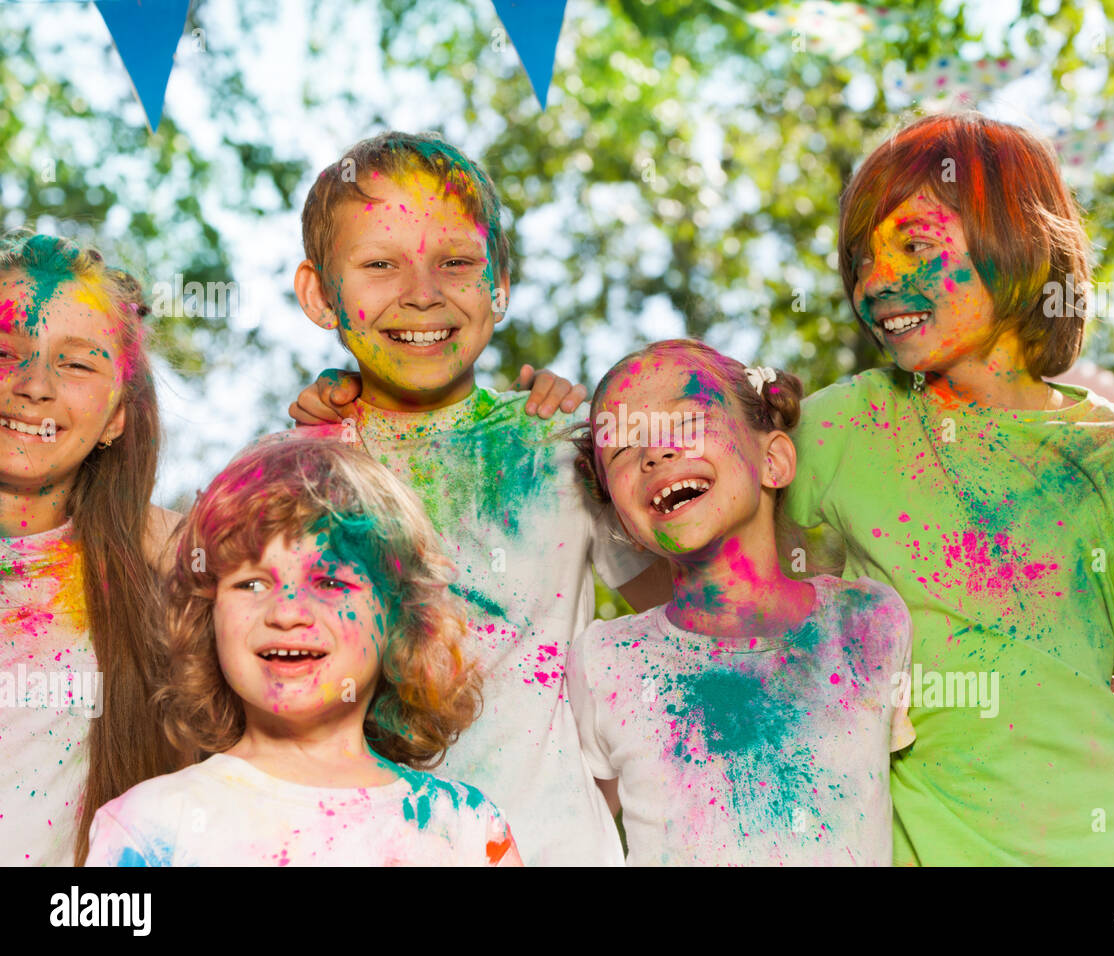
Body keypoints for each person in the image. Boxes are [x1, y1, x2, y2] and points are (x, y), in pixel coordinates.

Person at [789, 111, 1114, 864]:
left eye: (914, 246)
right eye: (862, 260)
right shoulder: (837, 428)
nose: (877, 282)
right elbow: (722, 604)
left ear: (1017, 245)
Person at [278, 131, 668, 864]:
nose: (423, 292)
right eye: (380, 264)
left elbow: (693, 615)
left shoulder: (560, 447)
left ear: (501, 287)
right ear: (320, 296)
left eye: (455, 262)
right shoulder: (295, 475)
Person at [85, 439, 522, 866]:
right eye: (251, 583)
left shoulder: (465, 827)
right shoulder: (150, 826)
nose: (287, 612)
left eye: (330, 582)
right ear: (206, 616)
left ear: (398, 617)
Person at [567, 339, 913, 865]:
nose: (654, 453)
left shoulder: (870, 622)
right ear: (623, 521)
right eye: (621, 449)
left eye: (684, 424)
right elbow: (579, 830)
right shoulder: (604, 661)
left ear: (772, 460)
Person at [0, 233, 180, 866]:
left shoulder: (166, 576)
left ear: (116, 417)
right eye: (5, 350)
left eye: (76, 364)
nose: (33, 385)